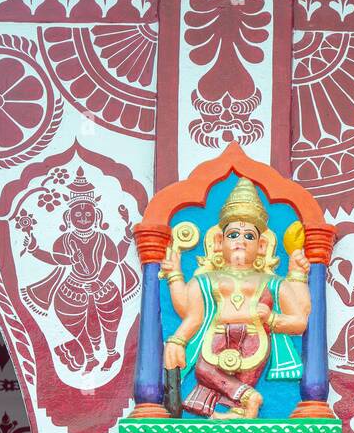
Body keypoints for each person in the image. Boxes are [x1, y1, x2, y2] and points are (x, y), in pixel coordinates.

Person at [160, 179, 311, 419]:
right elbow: (189, 311)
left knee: (244, 372)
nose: (240, 241)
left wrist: (273, 316)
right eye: (233, 234)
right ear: (219, 242)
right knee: (203, 369)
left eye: (249, 236)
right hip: (216, 337)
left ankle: (241, 407)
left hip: (255, 339)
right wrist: (175, 275)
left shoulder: (272, 282)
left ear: (262, 246)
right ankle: (249, 398)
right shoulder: (206, 280)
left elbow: (299, 319)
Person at [22, 169, 138, 374]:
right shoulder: (65, 240)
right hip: (73, 288)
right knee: (72, 318)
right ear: (69, 216)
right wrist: (33, 248)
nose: (83, 217)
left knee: (110, 319)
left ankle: (111, 353)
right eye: (78, 214)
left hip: (102, 286)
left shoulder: (102, 238)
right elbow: (55, 259)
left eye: (88, 214)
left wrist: (127, 236)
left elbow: (114, 259)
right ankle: (90, 356)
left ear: (96, 215)